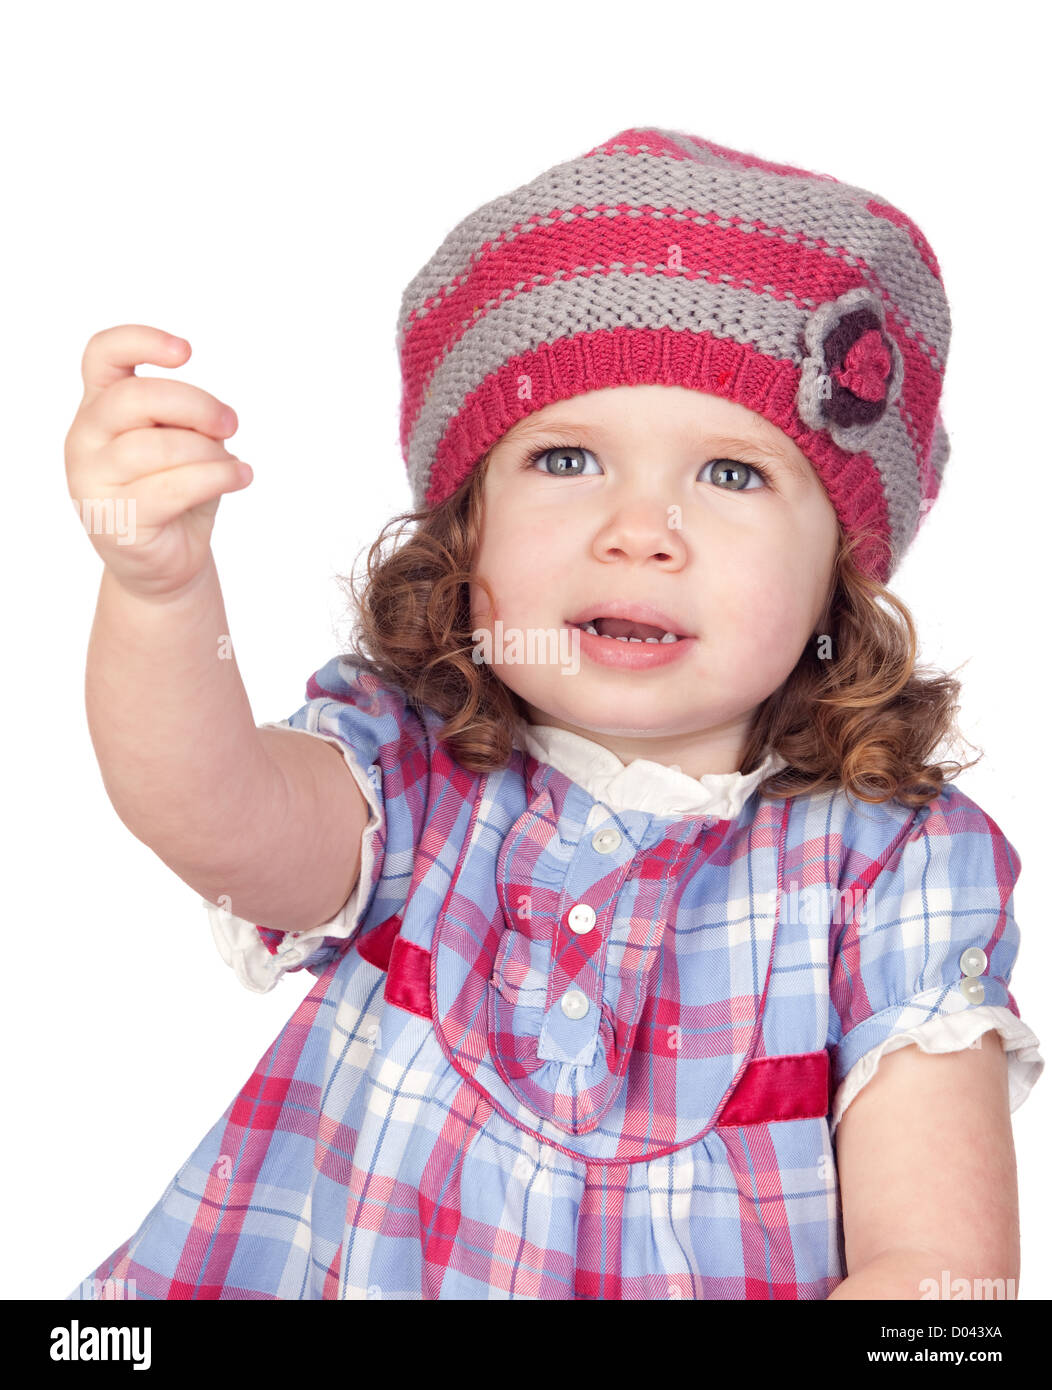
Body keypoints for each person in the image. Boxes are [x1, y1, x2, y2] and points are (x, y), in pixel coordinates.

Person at [64, 126, 1044, 1300]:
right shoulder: (415, 776)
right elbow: (208, 812)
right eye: (567, 457)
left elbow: (944, 1276)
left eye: (730, 474)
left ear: (841, 567)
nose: (638, 529)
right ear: (464, 524)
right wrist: (159, 592)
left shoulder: (889, 871)